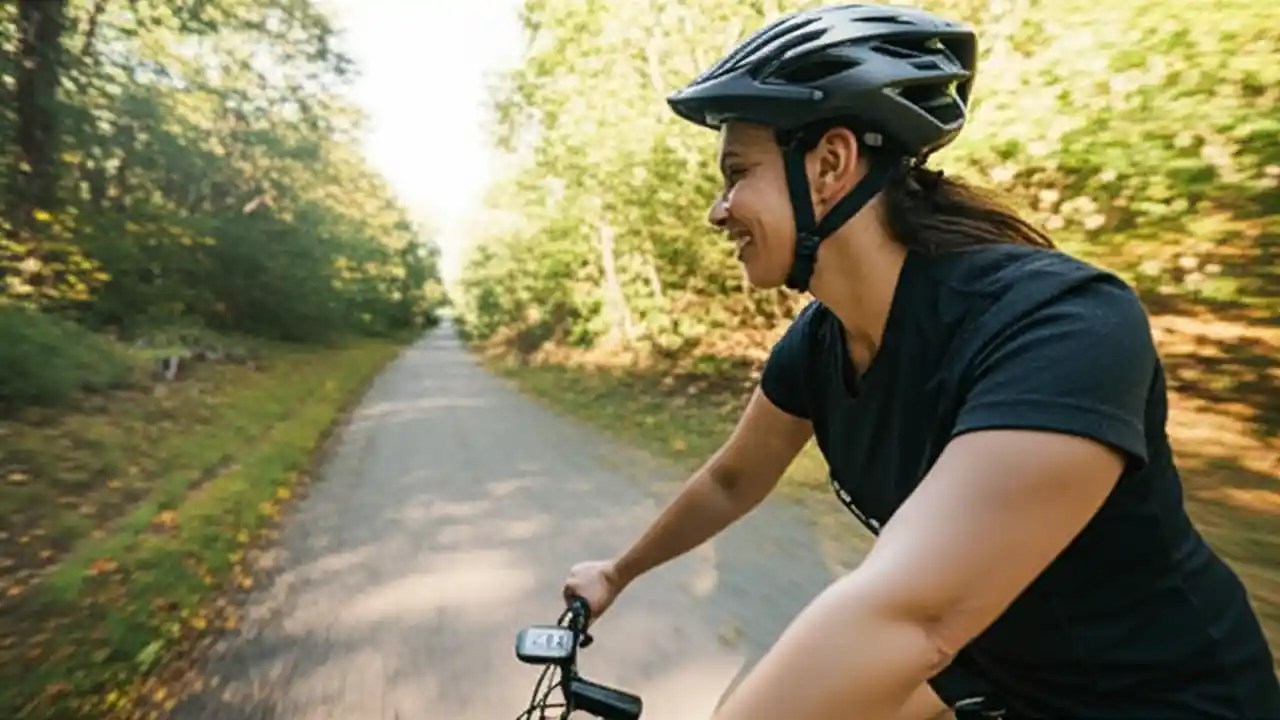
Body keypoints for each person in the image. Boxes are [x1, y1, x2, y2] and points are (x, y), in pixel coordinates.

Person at [561, 4, 1280, 719]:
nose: (719, 212)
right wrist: (615, 575)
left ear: (830, 165)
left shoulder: (1056, 322)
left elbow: (916, 619)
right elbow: (731, 478)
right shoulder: (819, 344)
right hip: (999, 677)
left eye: (737, 172)